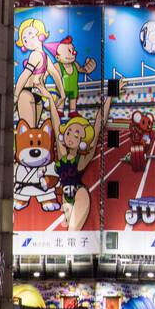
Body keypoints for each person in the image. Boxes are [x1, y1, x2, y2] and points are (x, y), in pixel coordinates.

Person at [48, 94, 112, 232]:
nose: (71, 137)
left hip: (79, 194)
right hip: (65, 197)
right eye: (69, 132)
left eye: (76, 135)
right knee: (68, 236)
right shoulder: (62, 154)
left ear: (82, 142)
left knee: (72, 232)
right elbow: (56, 122)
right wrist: (49, 98)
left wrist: (110, 96)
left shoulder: (82, 160)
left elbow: (98, 125)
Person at [14, 18, 63, 130]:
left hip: (33, 94)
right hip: (29, 93)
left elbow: (55, 75)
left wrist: (16, 95)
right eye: (24, 39)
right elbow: (25, 75)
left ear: (40, 34)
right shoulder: (38, 55)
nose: (28, 40)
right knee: (31, 131)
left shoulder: (40, 55)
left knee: (31, 132)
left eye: (30, 34)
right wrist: (62, 94)